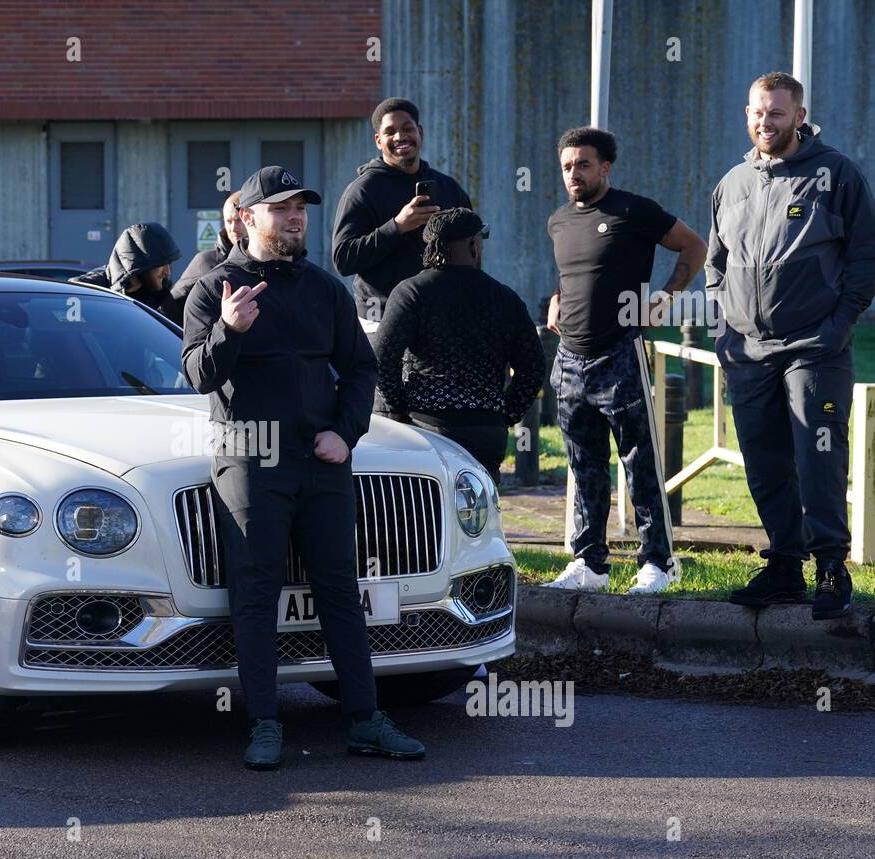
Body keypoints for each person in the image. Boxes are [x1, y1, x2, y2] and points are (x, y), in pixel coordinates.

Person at [181, 165, 424, 771]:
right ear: (247, 219)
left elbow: (361, 370)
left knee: (339, 588)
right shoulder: (215, 290)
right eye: (282, 208)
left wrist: (345, 434)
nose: (295, 217)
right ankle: (265, 723)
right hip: (249, 459)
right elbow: (199, 376)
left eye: (302, 208)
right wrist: (230, 331)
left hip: (321, 462)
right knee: (256, 589)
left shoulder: (325, 289)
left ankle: (365, 719)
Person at [709, 72, 875, 620]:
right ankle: (785, 565)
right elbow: (716, 265)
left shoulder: (836, 174)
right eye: (758, 112)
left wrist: (840, 323)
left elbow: (865, 257)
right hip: (748, 352)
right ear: (747, 112)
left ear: (799, 116)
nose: (766, 122)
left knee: (818, 456)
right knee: (764, 462)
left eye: (777, 113)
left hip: (814, 347)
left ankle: (831, 568)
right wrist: (725, 331)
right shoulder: (732, 182)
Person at [544, 127, 708, 595]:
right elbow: (573, 274)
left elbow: (694, 246)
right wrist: (556, 299)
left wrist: (667, 296)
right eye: (567, 167)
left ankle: (658, 561)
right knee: (584, 463)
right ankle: (589, 564)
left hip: (620, 354)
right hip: (569, 359)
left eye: (583, 165)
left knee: (639, 461)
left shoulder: (635, 211)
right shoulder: (558, 220)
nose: (574, 174)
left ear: (605, 168)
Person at [375, 207, 545, 482]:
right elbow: (533, 367)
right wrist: (505, 414)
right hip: (485, 433)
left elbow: (382, 358)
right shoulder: (504, 298)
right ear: (474, 245)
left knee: (428, 513)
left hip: (427, 429)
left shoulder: (412, 292)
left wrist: (398, 408)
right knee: (480, 512)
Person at [332, 97, 471, 332]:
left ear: (420, 132)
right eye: (390, 132)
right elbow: (343, 259)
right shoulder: (363, 190)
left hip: (441, 317)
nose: (399, 137)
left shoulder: (448, 187)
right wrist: (396, 227)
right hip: (381, 321)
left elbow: (472, 249)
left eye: (407, 129)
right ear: (378, 140)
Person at [163, 192, 247, 325]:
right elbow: (171, 308)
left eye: (239, 220)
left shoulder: (274, 261)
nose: (233, 228)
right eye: (229, 221)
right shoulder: (206, 261)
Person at [70, 222, 181, 313]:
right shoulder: (85, 291)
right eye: (160, 265)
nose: (167, 272)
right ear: (140, 264)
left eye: (169, 264)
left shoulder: (162, 295)